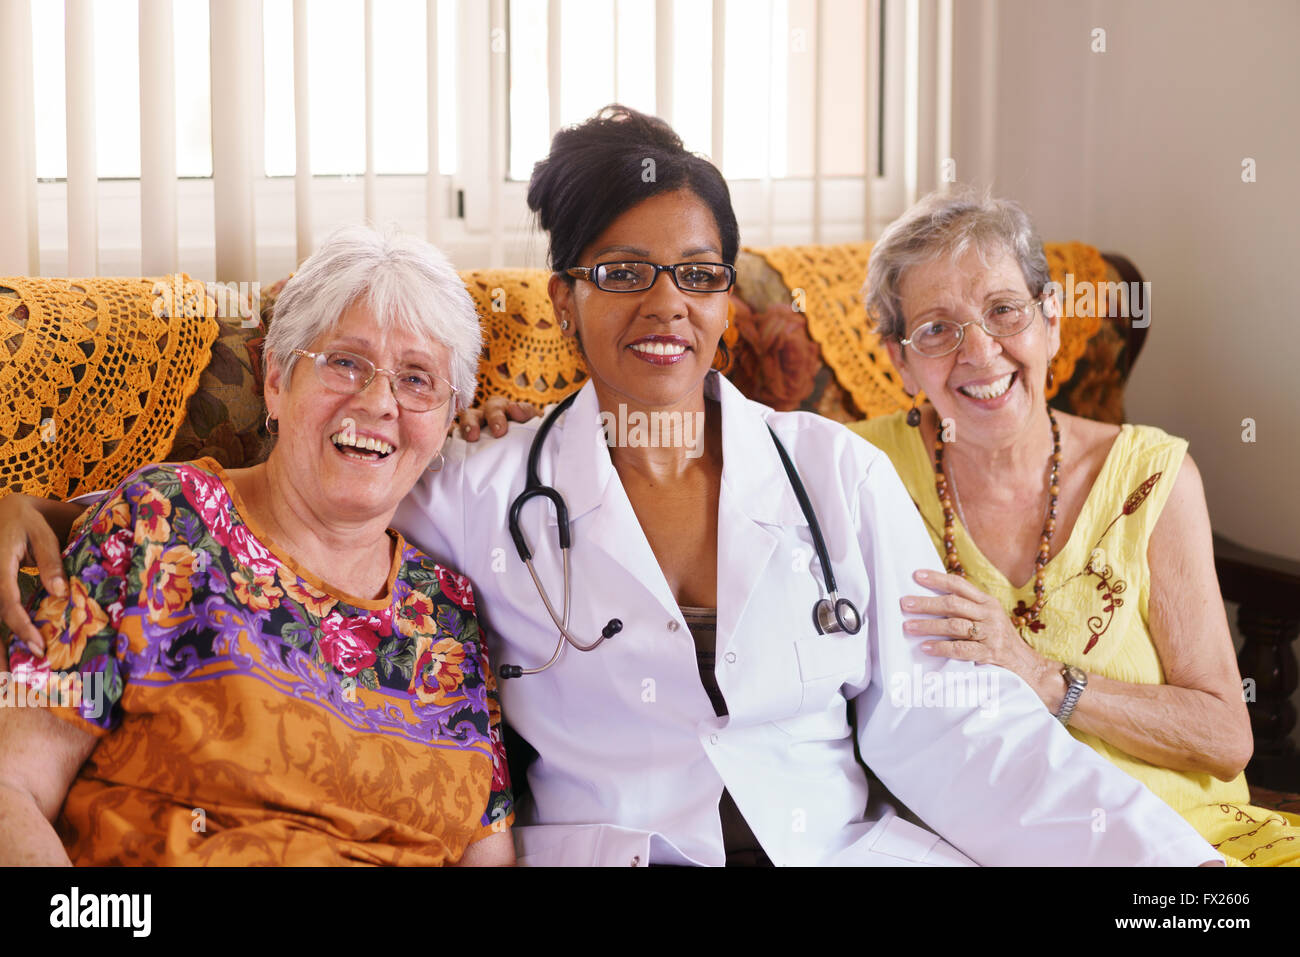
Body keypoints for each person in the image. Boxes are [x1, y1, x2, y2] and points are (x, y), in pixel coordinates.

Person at [2, 108, 1221, 867]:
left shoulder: (835, 475)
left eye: (695, 273)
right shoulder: (479, 490)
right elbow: (284, 511)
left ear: (726, 303)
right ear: (561, 300)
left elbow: (959, 732)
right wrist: (25, 510)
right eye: (622, 269)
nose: (664, 304)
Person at [0, 227, 514, 866]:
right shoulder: (163, 523)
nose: (379, 402)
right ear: (276, 379)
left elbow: (488, 856)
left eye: (417, 380)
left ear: (445, 421)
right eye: (346, 362)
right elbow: (11, 787)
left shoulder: (451, 612)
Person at [849, 187, 1299, 866]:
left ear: (1052, 320)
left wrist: (1044, 676)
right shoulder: (857, 470)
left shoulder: (1154, 477)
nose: (980, 350)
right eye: (937, 329)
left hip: (1198, 836)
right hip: (985, 846)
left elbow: (1225, 735)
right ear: (899, 360)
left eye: (1004, 310)